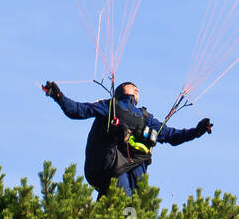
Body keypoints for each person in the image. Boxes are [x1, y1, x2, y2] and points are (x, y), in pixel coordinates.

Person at [42, 80, 212, 197]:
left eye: (137, 88)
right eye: (131, 86)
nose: (136, 89)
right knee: (125, 199)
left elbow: (170, 135)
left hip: (135, 165)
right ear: (121, 90)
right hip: (110, 162)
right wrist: (58, 96)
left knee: (136, 199)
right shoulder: (111, 105)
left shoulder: (145, 118)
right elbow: (78, 110)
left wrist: (196, 131)